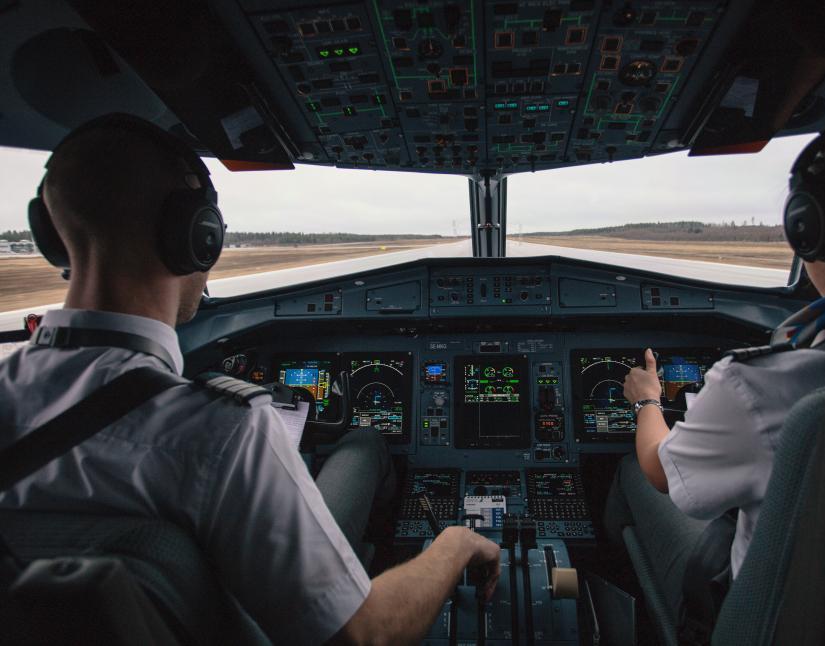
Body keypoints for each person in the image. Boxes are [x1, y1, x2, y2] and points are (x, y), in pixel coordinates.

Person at [0, 114, 500, 644]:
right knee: (363, 443)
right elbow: (364, 636)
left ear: (52, 236)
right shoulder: (219, 431)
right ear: (196, 235)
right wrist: (456, 543)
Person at [604, 101, 825, 621]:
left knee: (630, 469)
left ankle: (636, 601)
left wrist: (646, 401)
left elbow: (661, 471)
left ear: (812, 224)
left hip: (765, 617)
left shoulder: (764, 383)